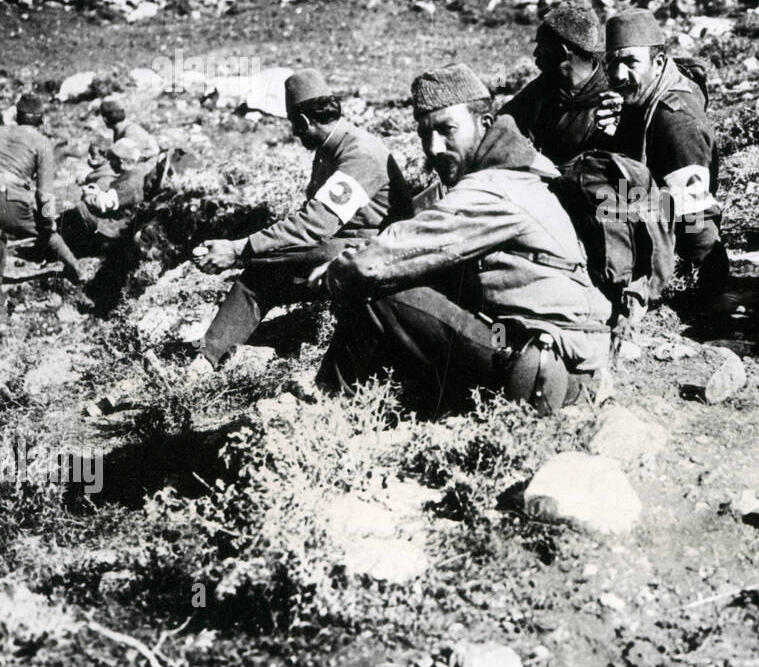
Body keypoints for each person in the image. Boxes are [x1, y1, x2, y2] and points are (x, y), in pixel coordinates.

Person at [315, 65, 611, 414]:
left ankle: (324, 409)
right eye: (424, 133)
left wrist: (334, 274)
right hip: (545, 348)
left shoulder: (493, 188)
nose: (433, 147)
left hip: (542, 363)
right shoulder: (515, 173)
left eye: (446, 130)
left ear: (484, 124)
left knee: (375, 290)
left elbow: (380, 260)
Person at [190, 70, 411, 372]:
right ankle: (210, 353)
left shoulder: (359, 153)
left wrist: (240, 248)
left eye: (295, 125)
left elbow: (315, 225)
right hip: (349, 245)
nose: (294, 133)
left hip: (376, 252)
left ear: (305, 121)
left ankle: (206, 361)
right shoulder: (333, 148)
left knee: (262, 271)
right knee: (264, 269)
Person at [604, 8, 730, 305]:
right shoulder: (640, 96)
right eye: (612, 63)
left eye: (630, 62)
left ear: (658, 62)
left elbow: (695, 215)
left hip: (669, 228)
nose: (618, 74)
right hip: (647, 212)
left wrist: (709, 287)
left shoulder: (676, 121)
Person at [499, 1, 613, 165]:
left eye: (541, 45)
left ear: (561, 52)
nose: (535, 53)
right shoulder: (542, 87)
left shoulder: (612, 100)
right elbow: (503, 121)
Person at [0, 93, 85, 296]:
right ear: (41, 119)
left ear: (17, 116)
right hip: (12, 201)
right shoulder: (42, 143)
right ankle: (78, 271)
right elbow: (45, 194)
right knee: (47, 233)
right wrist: (48, 220)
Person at [60, 137, 152, 257]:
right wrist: (98, 192)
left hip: (116, 226)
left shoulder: (130, 182)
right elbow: (113, 198)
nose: (110, 163)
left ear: (122, 161)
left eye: (113, 160)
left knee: (80, 209)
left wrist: (89, 195)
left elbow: (102, 203)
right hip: (117, 220)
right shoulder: (131, 174)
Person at [89, 97, 160, 167]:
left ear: (105, 119)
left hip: (147, 168)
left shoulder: (131, 131)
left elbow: (126, 159)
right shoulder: (123, 129)